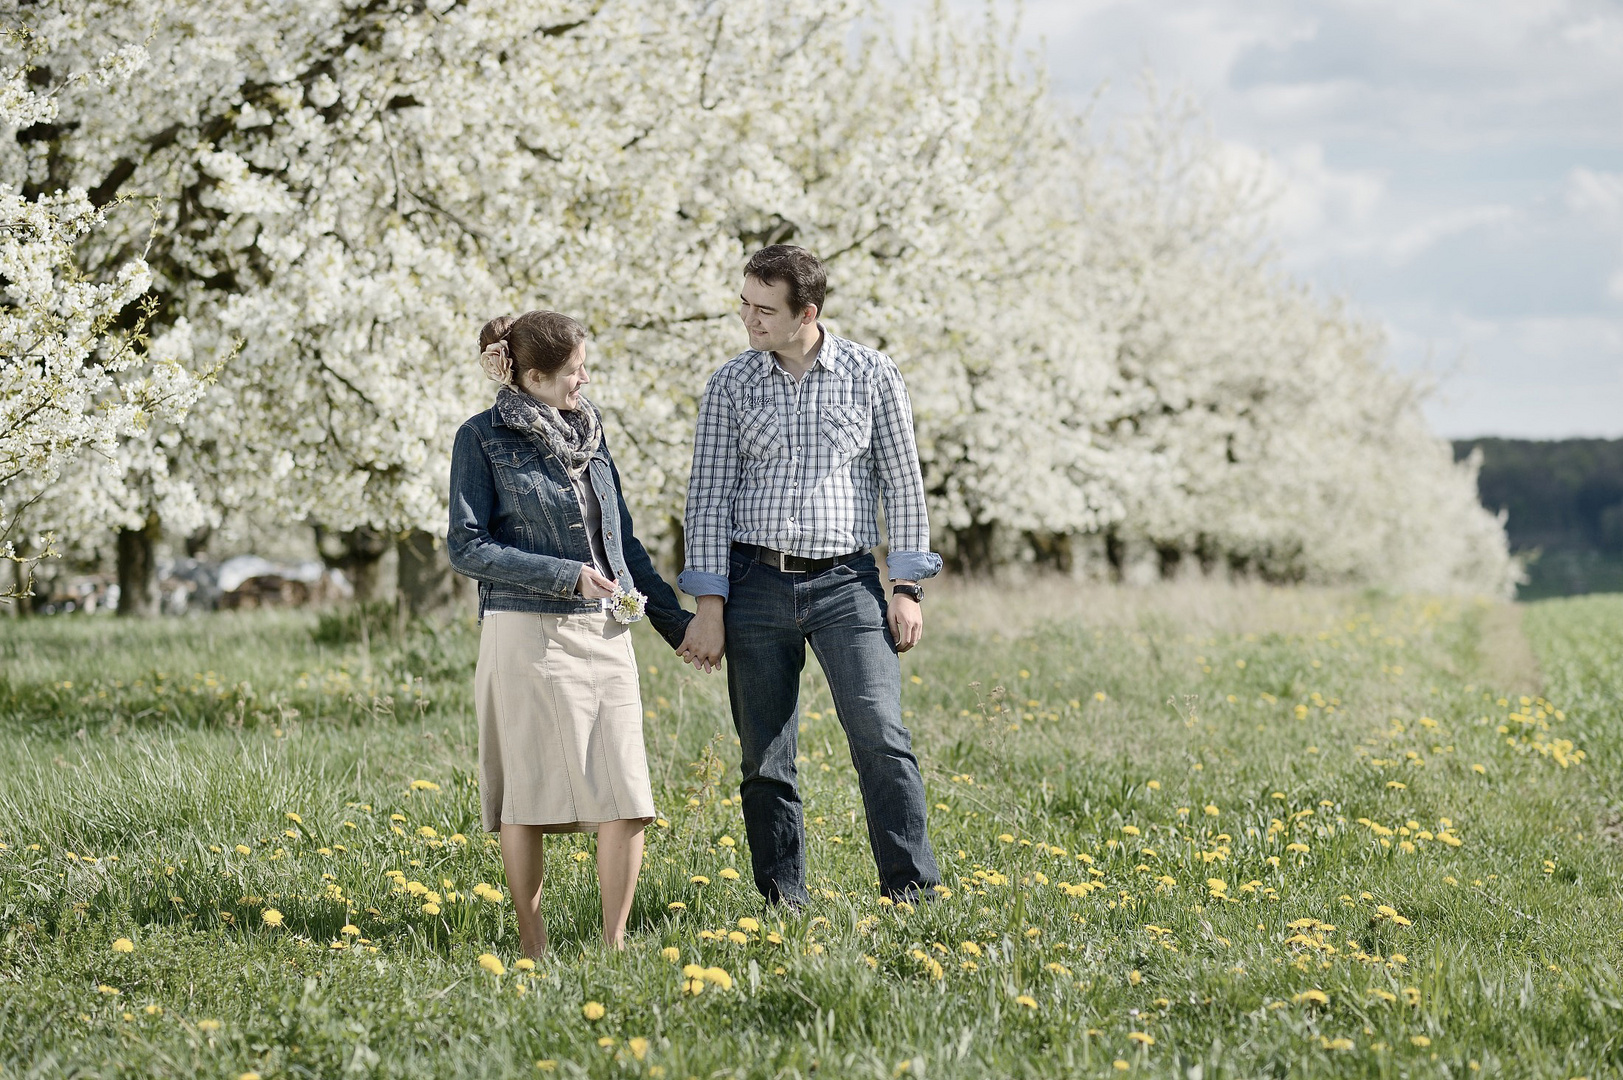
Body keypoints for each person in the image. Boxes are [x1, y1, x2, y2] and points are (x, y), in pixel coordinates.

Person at [677, 245, 944, 906]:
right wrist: (708, 602)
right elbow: (708, 497)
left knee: (881, 739)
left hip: (846, 584)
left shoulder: (870, 373)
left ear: (807, 313)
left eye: (764, 309)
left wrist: (904, 587)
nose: (749, 319)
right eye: (744, 303)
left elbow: (901, 484)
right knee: (764, 759)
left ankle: (911, 898)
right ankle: (781, 906)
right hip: (754, 583)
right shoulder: (730, 383)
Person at [447, 310, 701, 955]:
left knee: (627, 793)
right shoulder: (481, 438)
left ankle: (612, 948)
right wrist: (566, 575)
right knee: (528, 793)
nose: (583, 381)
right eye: (573, 372)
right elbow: (467, 547)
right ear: (531, 376)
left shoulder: (591, 435)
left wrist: (678, 628)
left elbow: (624, 546)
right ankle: (534, 945)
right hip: (524, 632)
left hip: (606, 633)